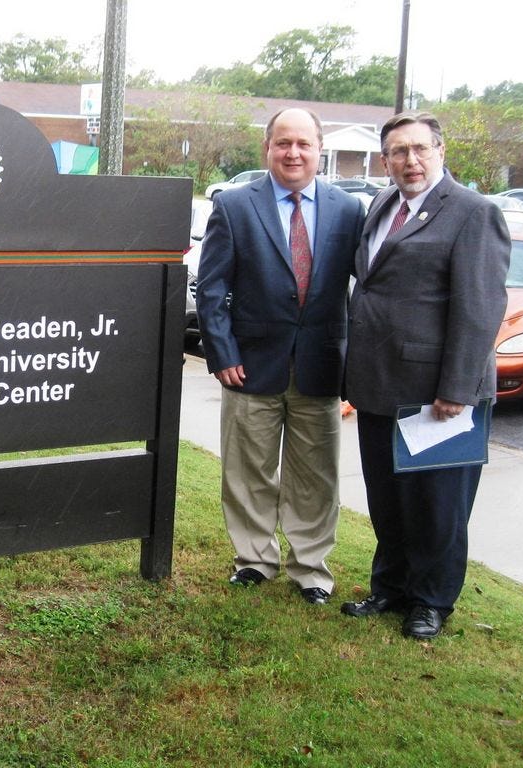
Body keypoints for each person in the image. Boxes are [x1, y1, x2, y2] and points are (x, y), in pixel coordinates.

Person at [341, 111, 510, 639]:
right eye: (398, 151)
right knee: (387, 499)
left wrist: (456, 388)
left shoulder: (473, 212)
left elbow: (479, 307)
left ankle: (431, 601)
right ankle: (390, 588)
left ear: (440, 151)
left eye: (420, 149)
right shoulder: (383, 204)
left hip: (438, 391)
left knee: (437, 505)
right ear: (385, 160)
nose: (410, 160)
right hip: (379, 384)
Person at [196, 108, 364, 604]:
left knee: (316, 475)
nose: (294, 153)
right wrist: (221, 352)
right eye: (283, 143)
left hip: (321, 365)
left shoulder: (348, 210)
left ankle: (310, 569)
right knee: (248, 470)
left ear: (320, 150)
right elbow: (211, 288)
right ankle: (254, 560)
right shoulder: (234, 206)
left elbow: (368, 289)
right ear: (267, 148)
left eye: (304, 144)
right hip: (249, 365)